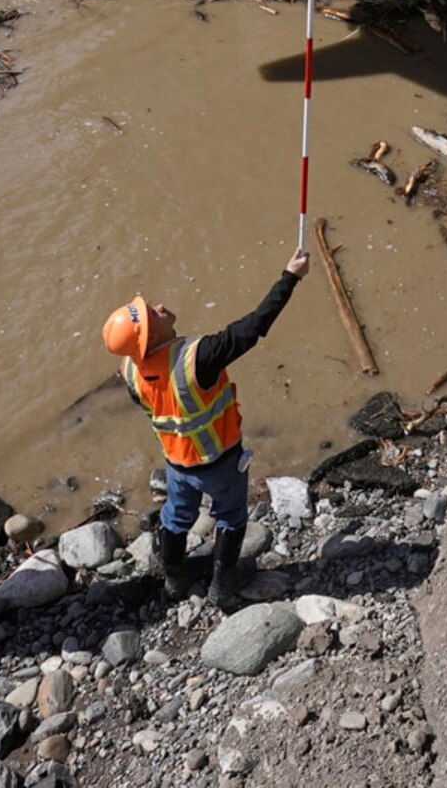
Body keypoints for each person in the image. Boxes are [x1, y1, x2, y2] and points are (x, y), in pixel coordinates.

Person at [101, 249, 310, 609]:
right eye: (154, 315)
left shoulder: (130, 371)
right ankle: (221, 587)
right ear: (149, 339)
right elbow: (254, 325)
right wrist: (290, 277)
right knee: (231, 518)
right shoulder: (198, 358)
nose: (162, 307)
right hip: (221, 463)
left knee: (175, 517)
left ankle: (174, 579)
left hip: (177, 465)